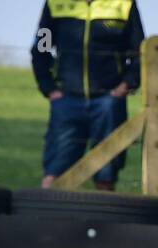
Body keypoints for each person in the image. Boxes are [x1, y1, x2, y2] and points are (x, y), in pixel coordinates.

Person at [31, 1, 145, 190]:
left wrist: (126, 85)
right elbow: (42, 48)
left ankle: (104, 217)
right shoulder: (56, 3)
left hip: (109, 101)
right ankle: (47, 215)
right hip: (66, 100)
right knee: (55, 171)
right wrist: (49, 87)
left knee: (106, 173)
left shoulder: (124, 4)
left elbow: (140, 51)